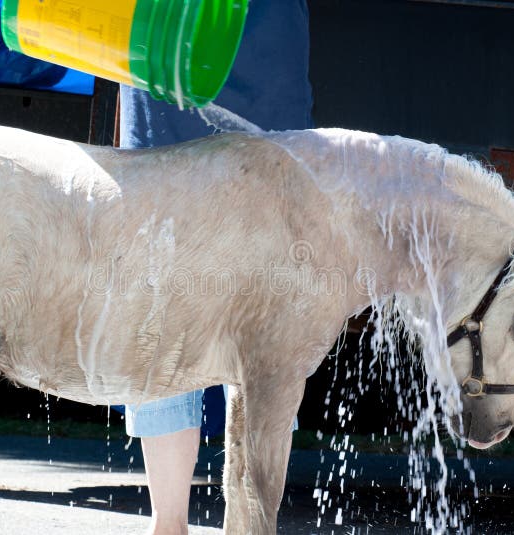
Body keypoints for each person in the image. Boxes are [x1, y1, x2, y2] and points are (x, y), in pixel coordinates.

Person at [118, 2, 313, 533]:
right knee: (258, 314)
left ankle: (176, 525)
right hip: (230, 48)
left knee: (167, 304)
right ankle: (210, 524)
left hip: (170, 38)